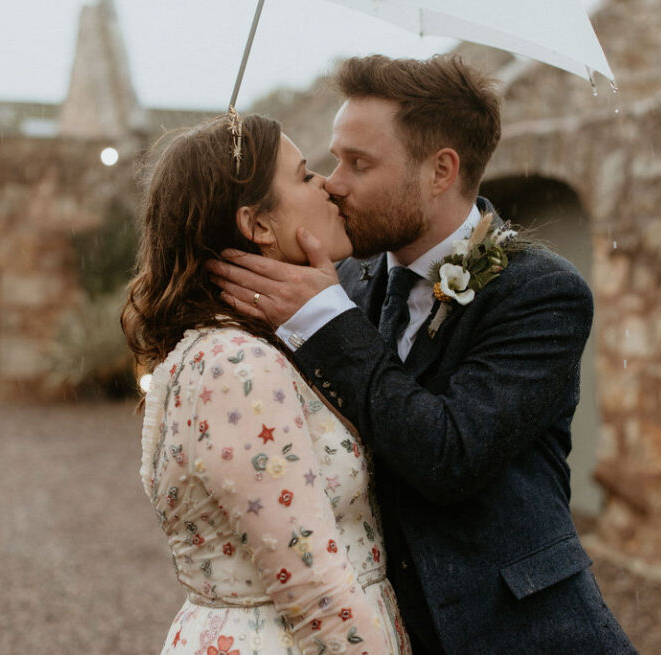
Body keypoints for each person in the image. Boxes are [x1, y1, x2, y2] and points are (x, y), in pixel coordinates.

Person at [208, 55, 636, 653]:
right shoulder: (348, 283)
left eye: (358, 163)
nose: (334, 182)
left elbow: (449, 456)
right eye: (334, 160)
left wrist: (327, 321)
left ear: (440, 171)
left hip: (524, 632)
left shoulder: (542, 293)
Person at [122, 112, 411, 655]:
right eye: (304, 176)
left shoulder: (253, 347)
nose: (327, 185)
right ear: (257, 225)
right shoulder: (236, 367)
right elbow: (317, 596)